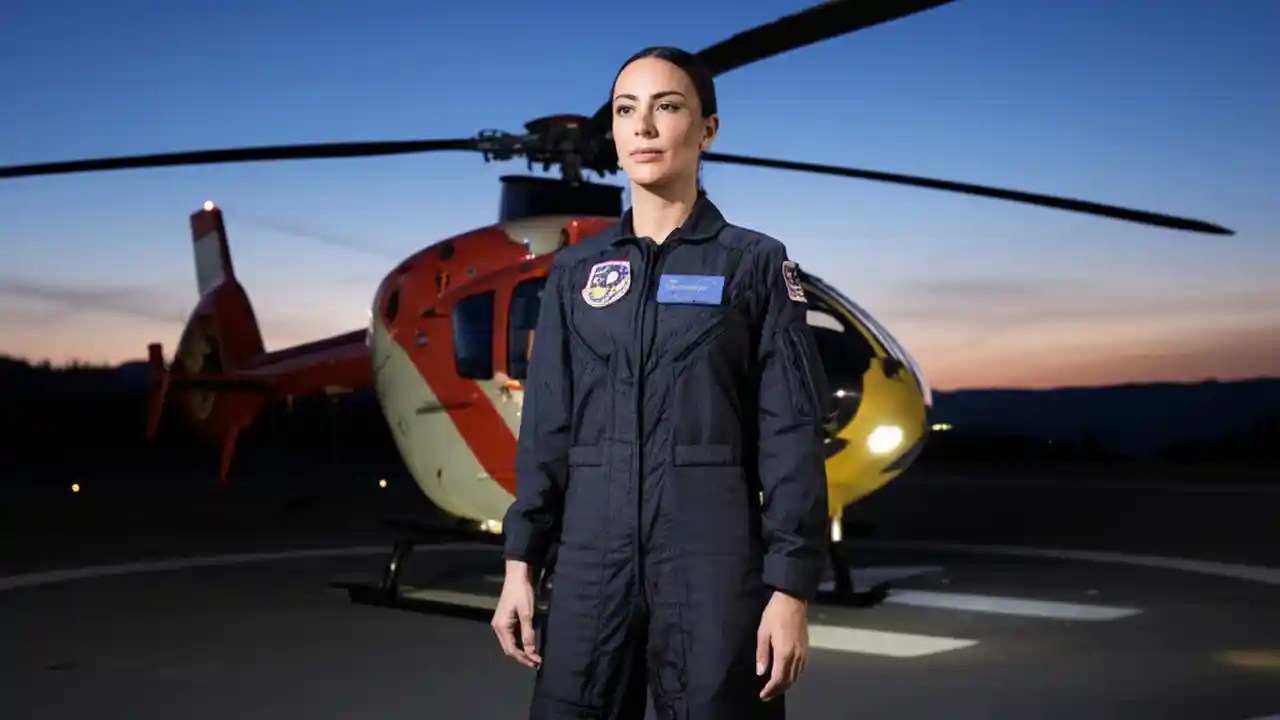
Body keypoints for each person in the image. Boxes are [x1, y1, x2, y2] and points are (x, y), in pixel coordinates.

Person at [491, 45, 833, 720]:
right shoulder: (574, 274)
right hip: (592, 565)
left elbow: (790, 436)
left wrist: (790, 591)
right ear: (613, 134)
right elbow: (547, 431)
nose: (643, 127)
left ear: (707, 129)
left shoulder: (755, 265)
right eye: (626, 110)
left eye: (666, 107)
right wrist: (518, 563)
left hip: (711, 566)